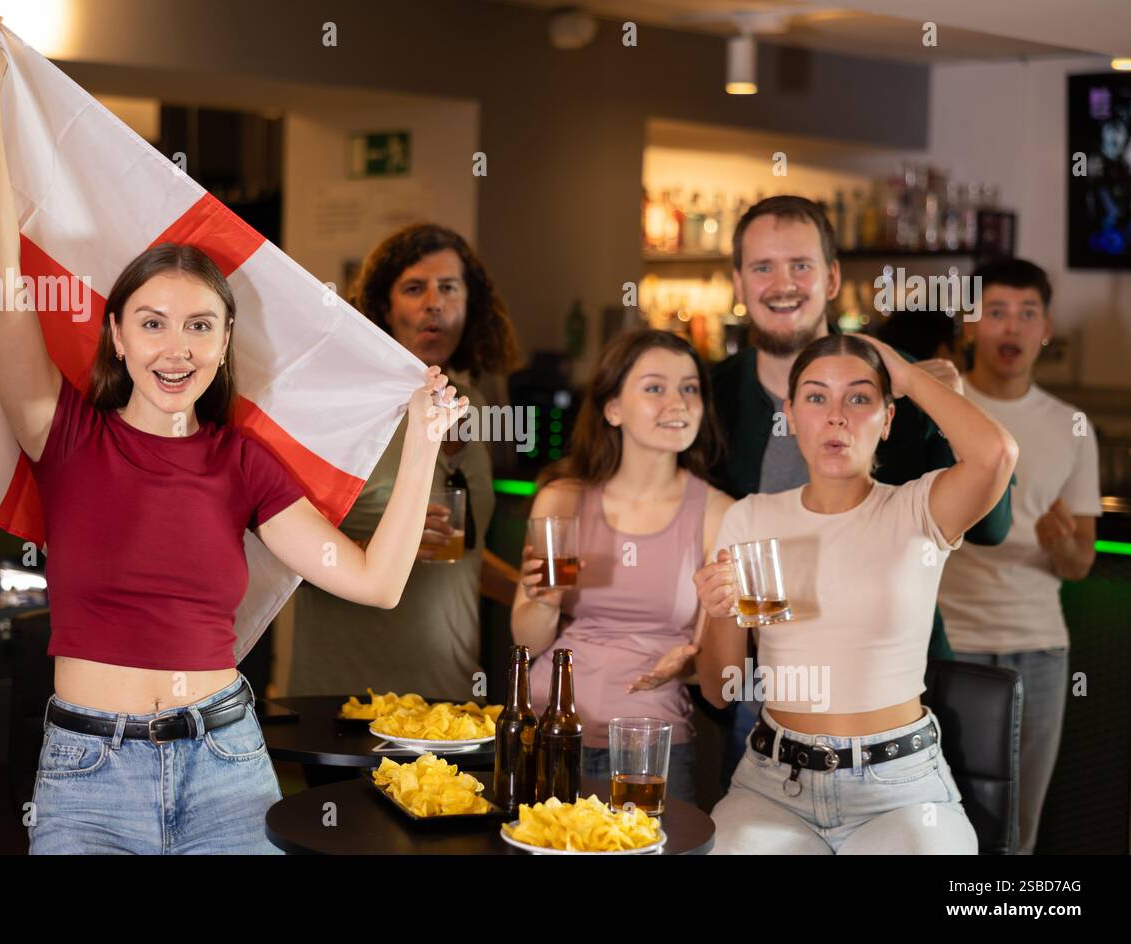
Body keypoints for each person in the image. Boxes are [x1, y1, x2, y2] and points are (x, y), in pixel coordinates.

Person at [0, 12, 466, 854]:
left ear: (226, 344)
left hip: (228, 759)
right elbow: (2, 270)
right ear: (116, 335)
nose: (176, 347)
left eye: (200, 327)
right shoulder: (63, 433)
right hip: (88, 772)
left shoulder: (244, 464)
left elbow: (376, 581)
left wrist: (419, 440)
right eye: (152, 324)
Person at [707, 195, 1013, 786]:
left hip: (887, 691)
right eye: (762, 267)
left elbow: (992, 523)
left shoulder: (895, 384)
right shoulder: (709, 395)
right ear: (739, 282)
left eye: (800, 264)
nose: (782, 284)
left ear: (831, 278)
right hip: (762, 700)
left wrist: (925, 387)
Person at [696, 333, 1017, 853]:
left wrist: (908, 376)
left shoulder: (919, 509)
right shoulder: (751, 517)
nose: (837, 416)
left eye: (860, 397)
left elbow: (996, 454)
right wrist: (717, 614)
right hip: (774, 784)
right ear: (792, 416)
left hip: (901, 789)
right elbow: (720, 690)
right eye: (817, 397)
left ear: (888, 419)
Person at [288, 223, 520, 699]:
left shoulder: (472, 403)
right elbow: (277, 554)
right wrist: (384, 546)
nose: (434, 302)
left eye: (449, 288)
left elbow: (465, 554)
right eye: (414, 288)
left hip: (449, 695)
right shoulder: (345, 405)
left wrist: (541, 594)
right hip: (348, 698)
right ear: (384, 308)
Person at [510, 329, 733, 805]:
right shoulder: (560, 498)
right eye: (654, 388)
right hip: (549, 730)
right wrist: (542, 602)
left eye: (689, 388)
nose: (677, 402)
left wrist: (690, 662)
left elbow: (717, 673)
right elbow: (526, 645)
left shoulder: (719, 513)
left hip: (650, 749)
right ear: (613, 408)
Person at [938, 258, 1101, 855]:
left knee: (1015, 834)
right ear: (971, 324)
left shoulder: (1073, 426)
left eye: (1026, 314)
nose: (1012, 328)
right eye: (997, 312)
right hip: (948, 644)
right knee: (940, 825)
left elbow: (1080, 564)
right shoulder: (942, 410)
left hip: (1040, 649)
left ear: (1046, 328)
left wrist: (1063, 545)